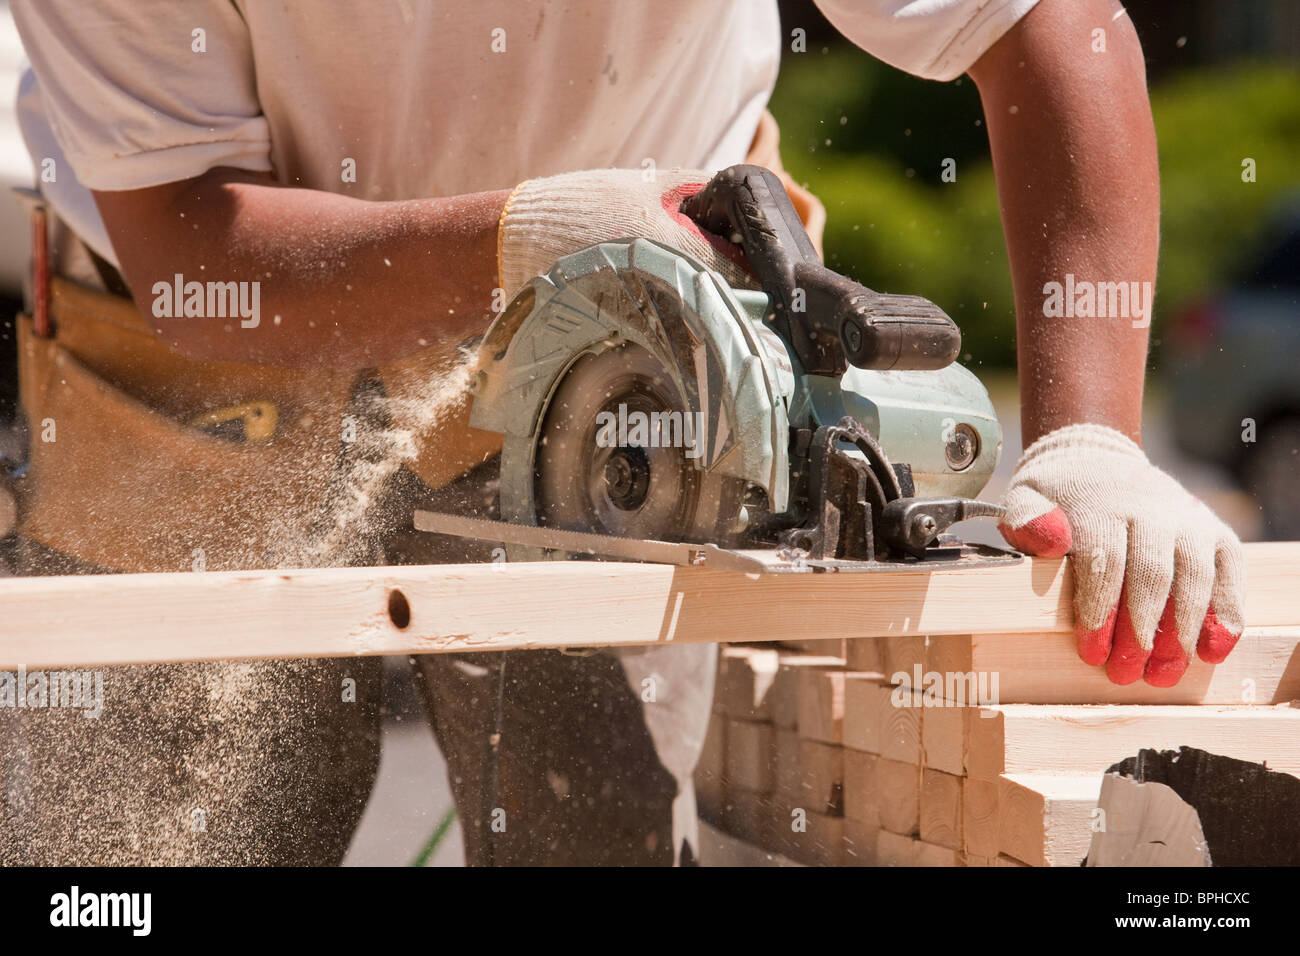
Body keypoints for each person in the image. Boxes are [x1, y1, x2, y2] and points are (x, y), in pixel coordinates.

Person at [5, 0, 1242, 865]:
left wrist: (1089, 440)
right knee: (137, 859)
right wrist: (529, 230)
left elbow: (1049, 28)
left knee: (591, 831)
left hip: (619, 341)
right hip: (195, 346)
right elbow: (188, 241)